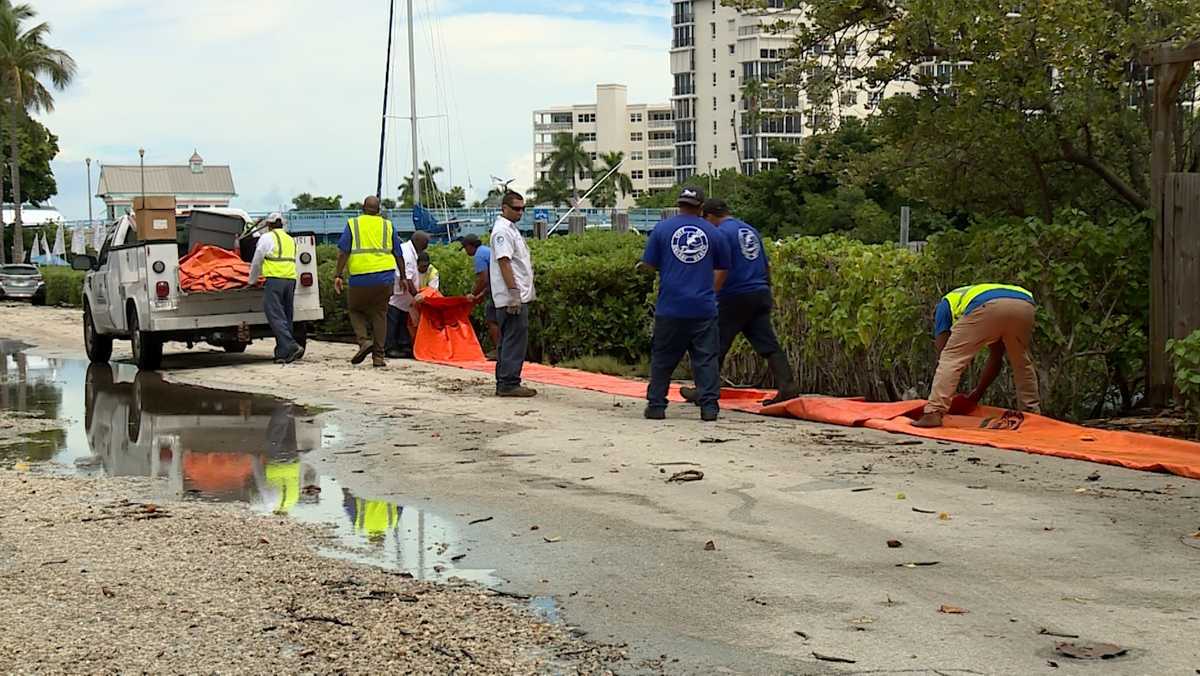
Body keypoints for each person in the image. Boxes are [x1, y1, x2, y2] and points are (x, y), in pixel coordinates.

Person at [680, 199, 798, 406]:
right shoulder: (750, 230)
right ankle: (787, 387)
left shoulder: (720, 234)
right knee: (768, 344)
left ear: (709, 216)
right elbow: (766, 263)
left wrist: (709, 294)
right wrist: (767, 289)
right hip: (759, 292)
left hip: (734, 295)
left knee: (713, 344)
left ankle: (705, 391)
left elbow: (719, 267)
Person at [637, 187, 731, 422]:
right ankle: (709, 407)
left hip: (670, 306)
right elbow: (723, 268)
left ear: (679, 204)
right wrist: (711, 293)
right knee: (706, 359)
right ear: (701, 207)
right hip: (703, 307)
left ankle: (657, 406)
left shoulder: (661, 229)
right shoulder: (713, 232)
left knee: (663, 358)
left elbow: (648, 264)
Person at [912, 284, 1041, 428]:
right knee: (1021, 362)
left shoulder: (945, 304)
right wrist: (977, 393)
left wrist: (949, 393)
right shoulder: (976, 292)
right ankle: (1032, 413)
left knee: (951, 358)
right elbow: (996, 358)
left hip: (986, 305)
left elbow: (943, 352)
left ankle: (934, 413)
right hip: (1024, 305)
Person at [333, 196, 407, 368]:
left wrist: (338, 274)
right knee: (380, 314)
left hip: (360, 277)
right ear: (379, 209)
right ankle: (379, 358)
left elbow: (343, 252)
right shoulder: (387, 225)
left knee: (355, 310)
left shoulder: (353, 224)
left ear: (362, 208)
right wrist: (403, 277)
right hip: (384, 277)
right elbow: (398, 253)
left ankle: (364, 341)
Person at [490, 191, 537, 397]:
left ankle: (505, 379)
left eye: (523, 208)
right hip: (511, 296)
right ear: (504, 208)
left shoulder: (511, 230)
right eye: (516, 208)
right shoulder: (502, 231)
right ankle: (509, 382)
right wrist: (514, 292)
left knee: (509, 338)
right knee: (514, 338)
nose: (520, 212)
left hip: (515, 294)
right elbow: (504, 262)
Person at [247, 212, 303, 364]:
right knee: (286, 315)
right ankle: (283, 354)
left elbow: (258, 258)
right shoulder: (290, 240)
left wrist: (251, 280)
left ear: (269, 225)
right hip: (290, 279)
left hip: (275, 280)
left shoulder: (266, 238)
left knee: (275, 315)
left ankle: (290, 346)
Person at [385, 231, 430, 359]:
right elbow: (408, 278)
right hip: (399, 294)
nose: (426, 246)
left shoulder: (411, 251)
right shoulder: (407, 253)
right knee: (393, 320)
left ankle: (401, 345)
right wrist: (416, 295)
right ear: (419, 242)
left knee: (401, 321)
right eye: (425, 243)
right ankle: (389, 347)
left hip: (404, 297)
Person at [460, 234, 501, 359]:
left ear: (470, 246)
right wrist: (481, 295)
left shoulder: (479, 255)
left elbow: (483, 278)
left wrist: (473, 294)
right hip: (498, 286)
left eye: (465, 248)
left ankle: (499, 350)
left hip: (498, 288)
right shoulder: (486, 251)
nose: (466, 251)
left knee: (492, 319)